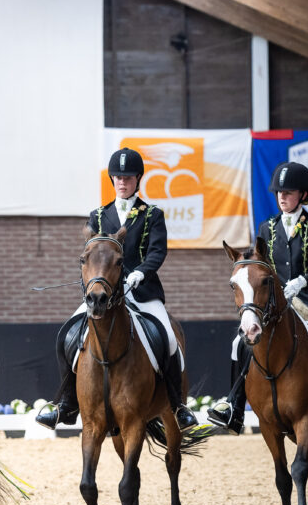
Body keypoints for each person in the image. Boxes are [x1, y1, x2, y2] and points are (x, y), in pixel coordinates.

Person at [35, 148, 197, 431]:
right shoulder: (98, 215)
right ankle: (66, 403)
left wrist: (140, 273)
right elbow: (90, 255)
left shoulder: (152, 214)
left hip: (142, 292)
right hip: (104, 294)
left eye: (128, 177)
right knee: (67, 335)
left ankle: (177, 405)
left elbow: (157, 251)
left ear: (138, 179)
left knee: (169, 338)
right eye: (118, 177)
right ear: (112, 179)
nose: (123, 182)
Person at [206, 161, 308, 434]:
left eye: (289, 192)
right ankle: (234, 404)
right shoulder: (266, 227)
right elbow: (259, 266)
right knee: (238, 343)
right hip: (276, 303)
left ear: (303, 195)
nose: (282, 197)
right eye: (279, 192)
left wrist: (302, 281)